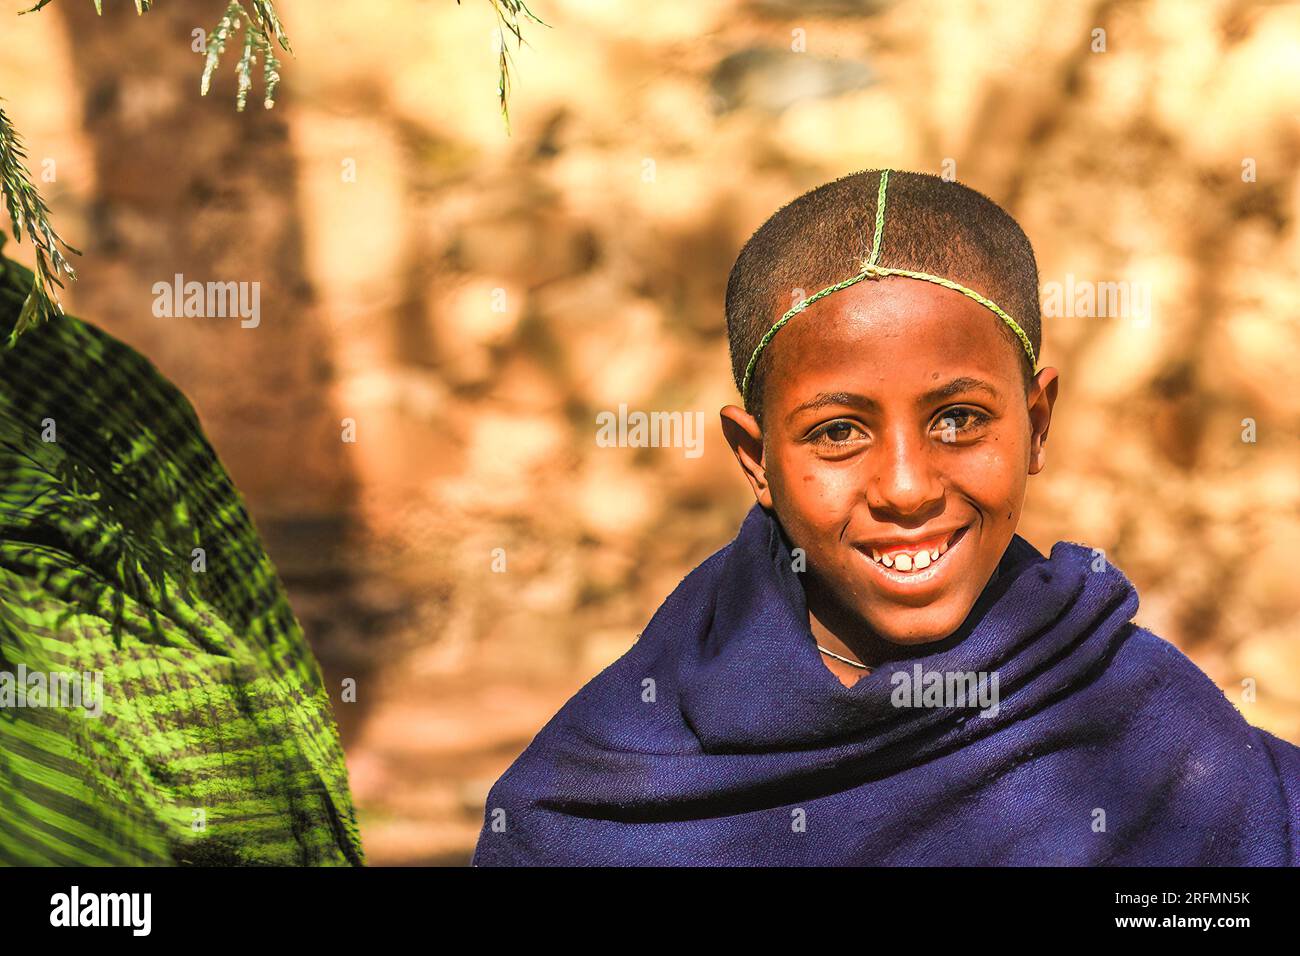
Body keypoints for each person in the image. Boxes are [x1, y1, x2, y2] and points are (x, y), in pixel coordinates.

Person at [473, 168, 1300, 866]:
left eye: (959, 420)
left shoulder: (1146, 731)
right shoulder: (601, 799)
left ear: (1037, 424)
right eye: (837, 433)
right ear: (756, 459)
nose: (906, 489)